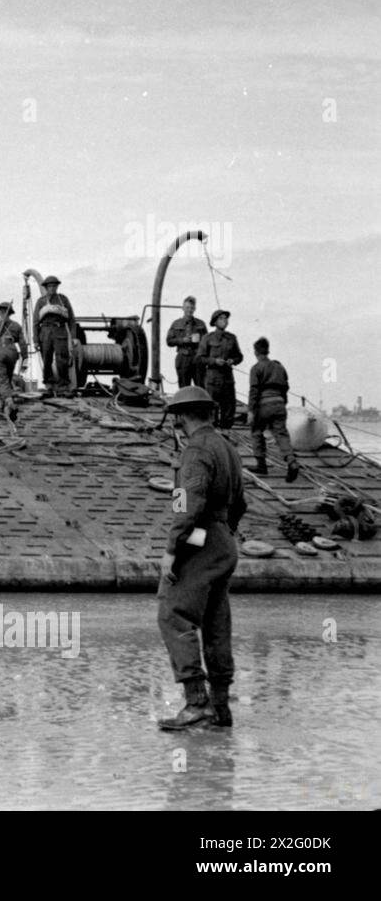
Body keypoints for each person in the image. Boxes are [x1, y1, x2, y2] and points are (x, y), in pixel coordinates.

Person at [157, 386, 246, 731]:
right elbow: (240, 504)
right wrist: (224, 532)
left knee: (172, 613)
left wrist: (171, 551)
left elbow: (187, 507)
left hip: (201, 537)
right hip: (223, 539)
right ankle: (221, 706)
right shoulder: (228, 448)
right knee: (215, 621)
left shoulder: (194, 451)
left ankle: (196, 703)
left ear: (181, 417)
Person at [248, 337, 300, 482]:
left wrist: (251, 410)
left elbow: (254, 390)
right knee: (281, 434)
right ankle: (292, 461)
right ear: (268, 350)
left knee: (256, 431)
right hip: (279, 404)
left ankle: (261, 465)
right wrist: (283, 404)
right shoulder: (279, 367)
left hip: (264, 405)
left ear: (256, 352)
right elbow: (285, 388)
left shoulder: (256, 368)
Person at [196, 310, 243, 429]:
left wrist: (233, 360)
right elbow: (200, 358)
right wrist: (214, 361)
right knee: (211, 410)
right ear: (215, 322)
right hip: (213, 379)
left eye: (226, 318)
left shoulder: (232, 338)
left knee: (228, 409)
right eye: (222, 318)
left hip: (228, 379)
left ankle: (225, 436)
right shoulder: (207, 338)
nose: (225, 320)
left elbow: (239, 356)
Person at [0, 301, 27, 422]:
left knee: (1, 381)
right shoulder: (17, 326)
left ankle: (10, 403)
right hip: (13, 352)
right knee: (6, 380)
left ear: (0, 311)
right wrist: (25, 359)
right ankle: (0, 406)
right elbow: (23, 344)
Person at [34, 275, 76, 397]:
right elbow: (36, 322)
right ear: (46, 288)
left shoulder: (63, 300)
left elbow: (72, 319)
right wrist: (36, 340)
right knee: (46, 359)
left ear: (57, 287)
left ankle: (63, 387)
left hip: (60, 331)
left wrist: (73, 337)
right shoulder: (41, 301)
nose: (52, 288)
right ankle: (49, 386)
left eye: (54, 286)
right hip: (45, 332)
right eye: (50, 286)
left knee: (62, 359)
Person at [166, 296, 207, 388]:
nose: (189, 310)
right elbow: (169, 341)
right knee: (184, 387)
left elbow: (207, 342)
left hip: (197, 358)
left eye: (192, 308)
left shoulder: (201, 324)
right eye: (187, 307)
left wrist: (200, 341)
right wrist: (182, 340)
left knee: (201, 386)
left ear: (195, 309)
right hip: (183, 358)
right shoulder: (176, 324)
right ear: (183, 308)